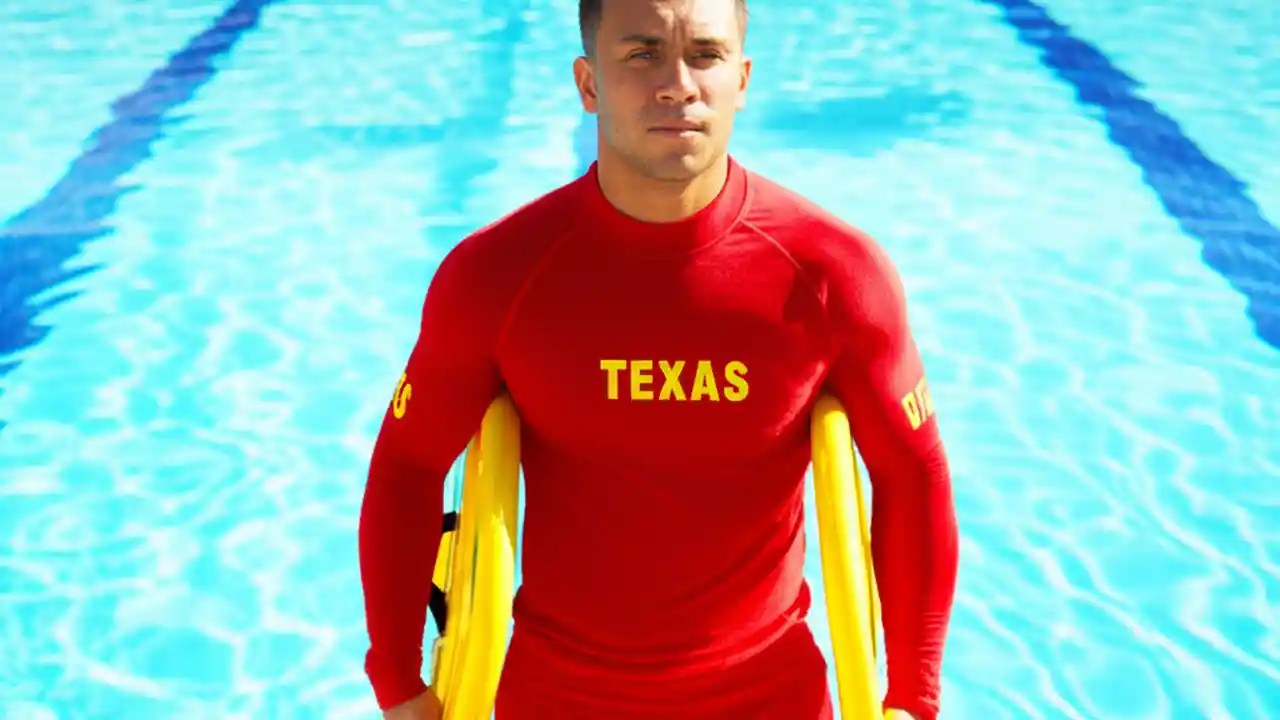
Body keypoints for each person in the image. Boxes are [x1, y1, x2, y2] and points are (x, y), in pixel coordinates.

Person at [358, 0, 960, 718]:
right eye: (642, 55)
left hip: (770, 698)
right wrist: (398, 686)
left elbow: (912, 472)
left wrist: (915, 700)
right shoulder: (497, 276)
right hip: (557, 699)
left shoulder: (834, 274)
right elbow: (408, 465)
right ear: (588, 84)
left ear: (742, 78)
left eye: (704, 55)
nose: (677, 84)